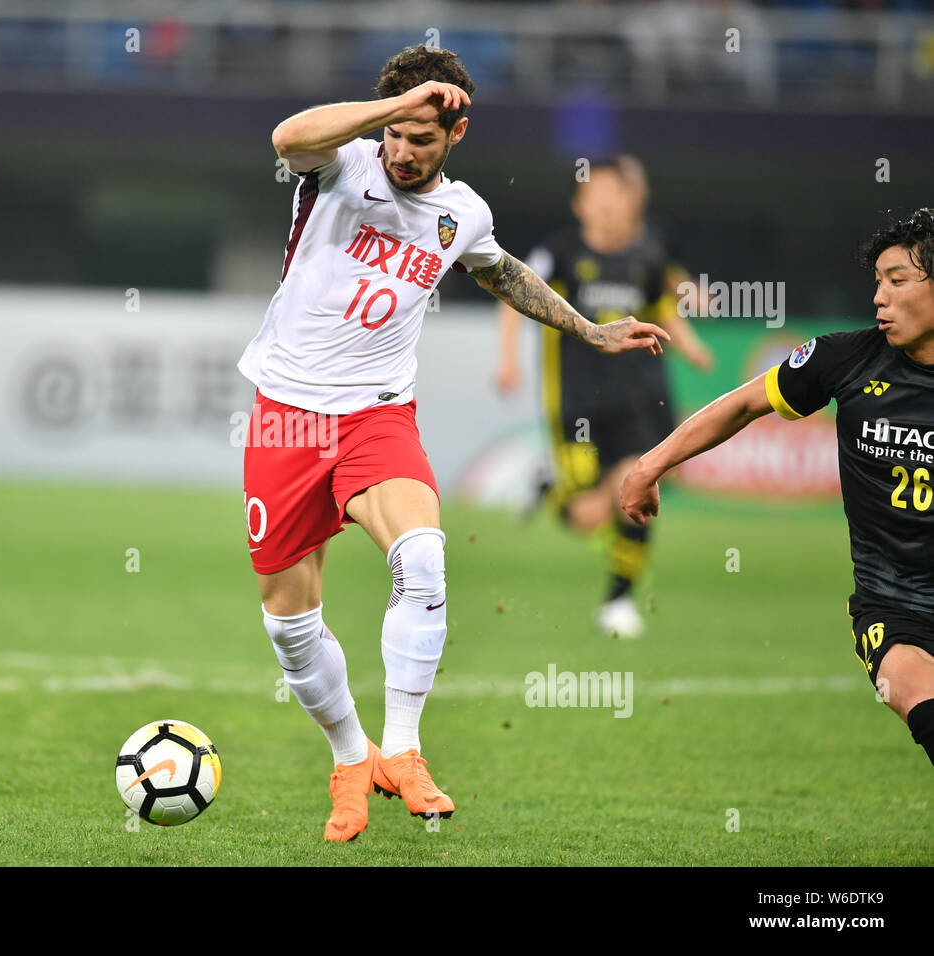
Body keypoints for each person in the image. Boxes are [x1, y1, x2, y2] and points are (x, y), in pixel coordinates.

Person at [239, 44, 671, 842]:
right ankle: (349, 758)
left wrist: (589, 330)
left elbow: (499, 269)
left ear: (455, 134)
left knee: (426, 558)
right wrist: (390, 114)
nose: (405, 154)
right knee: (290, 627)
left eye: (423, 140)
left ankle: (402, 749)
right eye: (398, 137)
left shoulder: (461, 212)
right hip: (286, 417)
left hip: (376, 416)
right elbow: (285, 137)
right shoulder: (341, 161)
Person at [621, 208, 934, 770]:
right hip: (895, 610)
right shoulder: (848, 358)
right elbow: (742, 404)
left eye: (897, 280)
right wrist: (650, 465)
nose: (879, 297)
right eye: (877, 282)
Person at [496, 155, 712, 638]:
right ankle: (550, 489)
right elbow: (512, 293)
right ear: (581, 204)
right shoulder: (560, 252)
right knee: (590, 515)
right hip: (578, 404)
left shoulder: (648, 256)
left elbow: (664, 307)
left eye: (618, 196)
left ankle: (618, 601)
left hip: (639, 399)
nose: (611, 206)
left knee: (636, 491)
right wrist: (507, 358)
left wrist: (692, 345)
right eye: (599, 196)